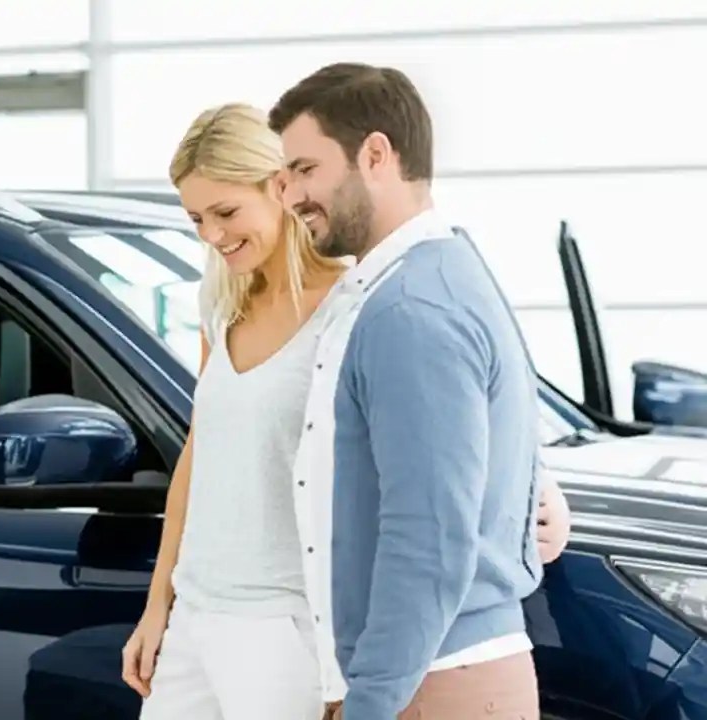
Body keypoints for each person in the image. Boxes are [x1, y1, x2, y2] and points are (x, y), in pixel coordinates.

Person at [270, 63, 559, 719]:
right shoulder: (424, 279)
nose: (292, 195)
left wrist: (369, 705)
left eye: (308, 169)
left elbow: (429, 541)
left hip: (427, 686)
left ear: (375, 155)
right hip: (421, 680)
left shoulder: (412, 308)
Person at [120, 101, 350, 718]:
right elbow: (201, 452)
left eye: (225, 213)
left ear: (279, 186)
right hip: (195, 615)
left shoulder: (350, 305)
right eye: (196, 218)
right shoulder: (221, 300)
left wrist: (340, 665)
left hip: (285, 626)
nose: (211, 236)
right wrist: (158, 606)